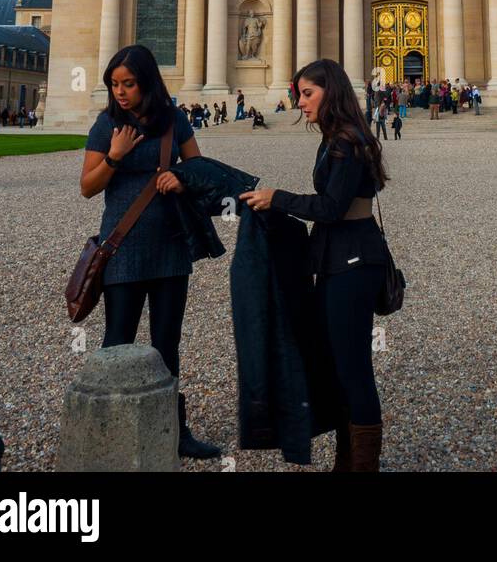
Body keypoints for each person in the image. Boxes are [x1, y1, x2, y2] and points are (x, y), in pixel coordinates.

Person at [240, 58, 389, 472]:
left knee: (353, 369)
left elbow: (331, 207)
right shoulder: (335, 138)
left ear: (331, 91)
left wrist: (279, 199)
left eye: (307, 93)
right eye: (299, 93)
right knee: (340, 367)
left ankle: (362, 467)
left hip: (354, 264)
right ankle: (347, 462)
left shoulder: (346, 141)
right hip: (340, 261)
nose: (300, 101)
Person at [81, 43, 220, 460]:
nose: (120, 91)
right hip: (122, 247)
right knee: (117, 341)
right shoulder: (106, 125)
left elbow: (200, 171)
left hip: (170, 247)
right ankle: (109, 432)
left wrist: (181, 178)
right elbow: (88, 186)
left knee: (167, 345)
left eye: (128, 83)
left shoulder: (175, 121)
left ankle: (173, 431)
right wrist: (115, 157)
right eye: (114, 84)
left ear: (147, 82)